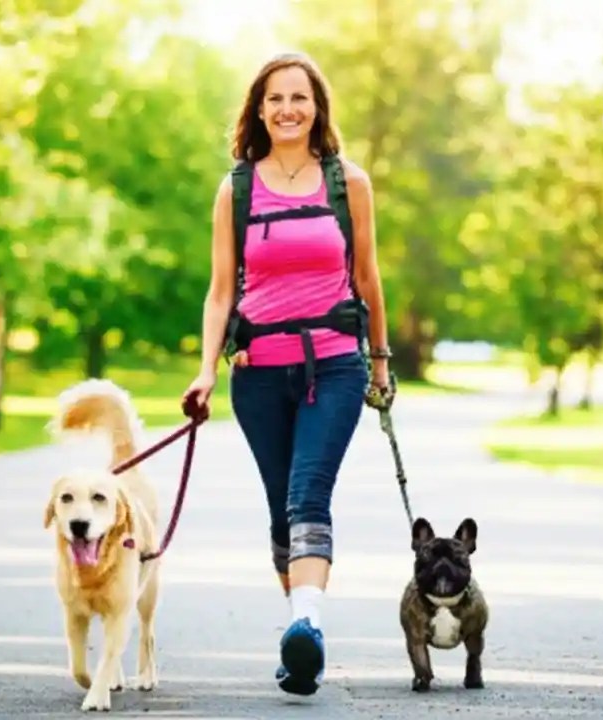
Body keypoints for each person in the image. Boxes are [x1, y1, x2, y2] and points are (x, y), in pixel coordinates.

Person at [180, 51, 393, 696]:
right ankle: (300, 632)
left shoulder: (347, 182)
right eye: (275, 99)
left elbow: (367, 279)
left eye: (299, 97)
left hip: (334, 365)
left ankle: (307, 626)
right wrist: (206, 372)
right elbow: (221, 292)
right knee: (281, 512)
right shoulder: (237, 188)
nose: (288, 109)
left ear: (318, 107)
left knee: (308, 495)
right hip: (259, 374)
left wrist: (380, 362)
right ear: (259, 109)